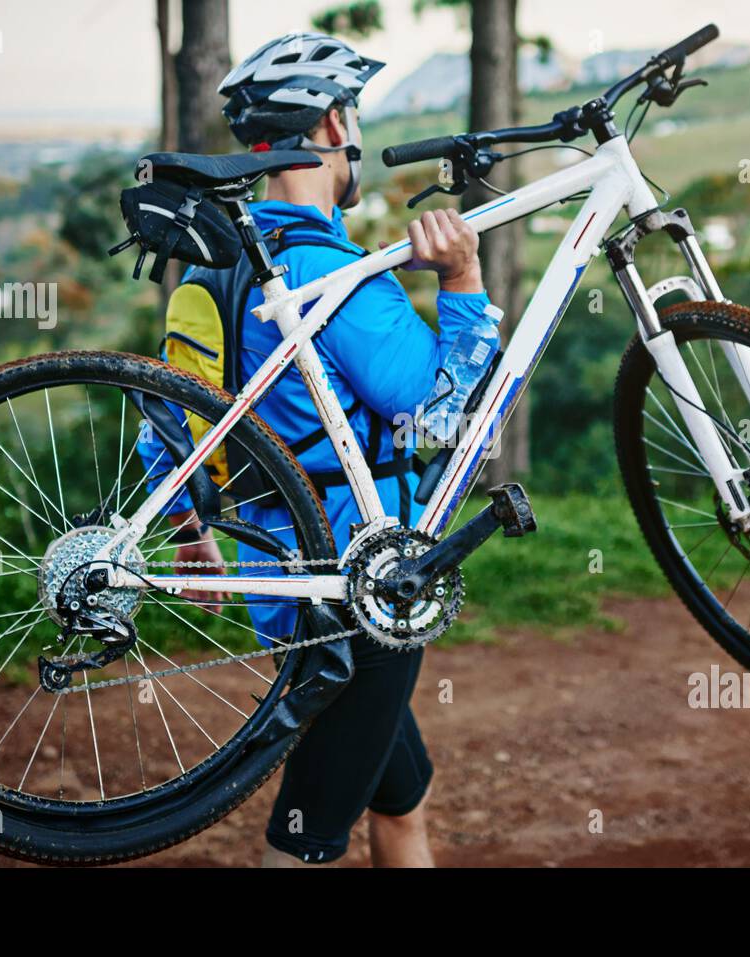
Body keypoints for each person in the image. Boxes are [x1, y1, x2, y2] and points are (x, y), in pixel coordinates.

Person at [141, 32, 494, 866]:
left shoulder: (211, 276)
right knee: (304, 836)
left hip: (279, 577)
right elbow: (437, 414)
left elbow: (170, 421)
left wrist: (193, 533)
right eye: (353, 116)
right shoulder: (338, 275)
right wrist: (463, 281)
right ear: (334, 126)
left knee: (403, 794)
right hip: (362, 583)